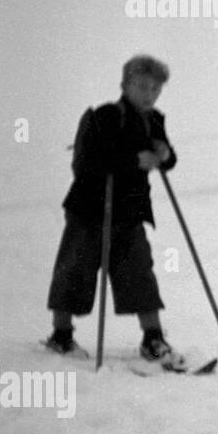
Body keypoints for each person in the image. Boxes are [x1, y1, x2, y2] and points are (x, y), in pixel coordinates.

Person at [44, 54, 186, 369]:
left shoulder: (155, 119)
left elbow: (168, 158)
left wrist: (164, 154)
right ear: (125, 85)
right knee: (76, 269)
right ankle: (61, 334)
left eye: (155, 89)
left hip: (130, 212)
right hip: (90, 209)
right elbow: (86, 163)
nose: (149, 94)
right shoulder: (104, 116)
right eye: (142, 87)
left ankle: (153, 338)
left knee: (138, 273)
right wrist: (133, 161)